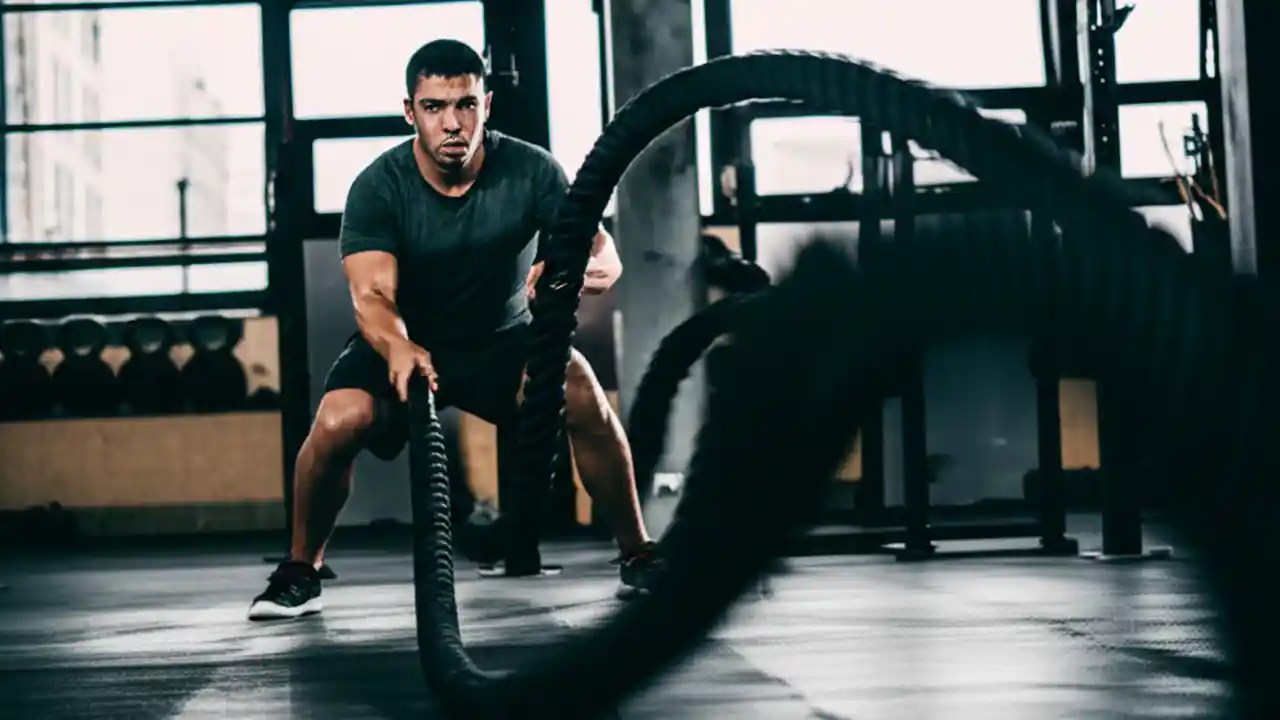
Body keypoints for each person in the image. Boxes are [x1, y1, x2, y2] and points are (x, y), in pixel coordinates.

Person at [248, 39, 659, 620]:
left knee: (581, 393)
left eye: (465, 104)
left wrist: (586, 273)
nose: (452, 123)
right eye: (435, 107)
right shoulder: (378, 185)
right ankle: (301, 569)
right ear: (410, 112)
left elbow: (600, 249)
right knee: (341, 418)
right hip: (404, 340)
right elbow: (371, 295)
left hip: (503, 342)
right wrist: (397, 345)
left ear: (485, 105)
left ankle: (638, 554)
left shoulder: (533, 169)